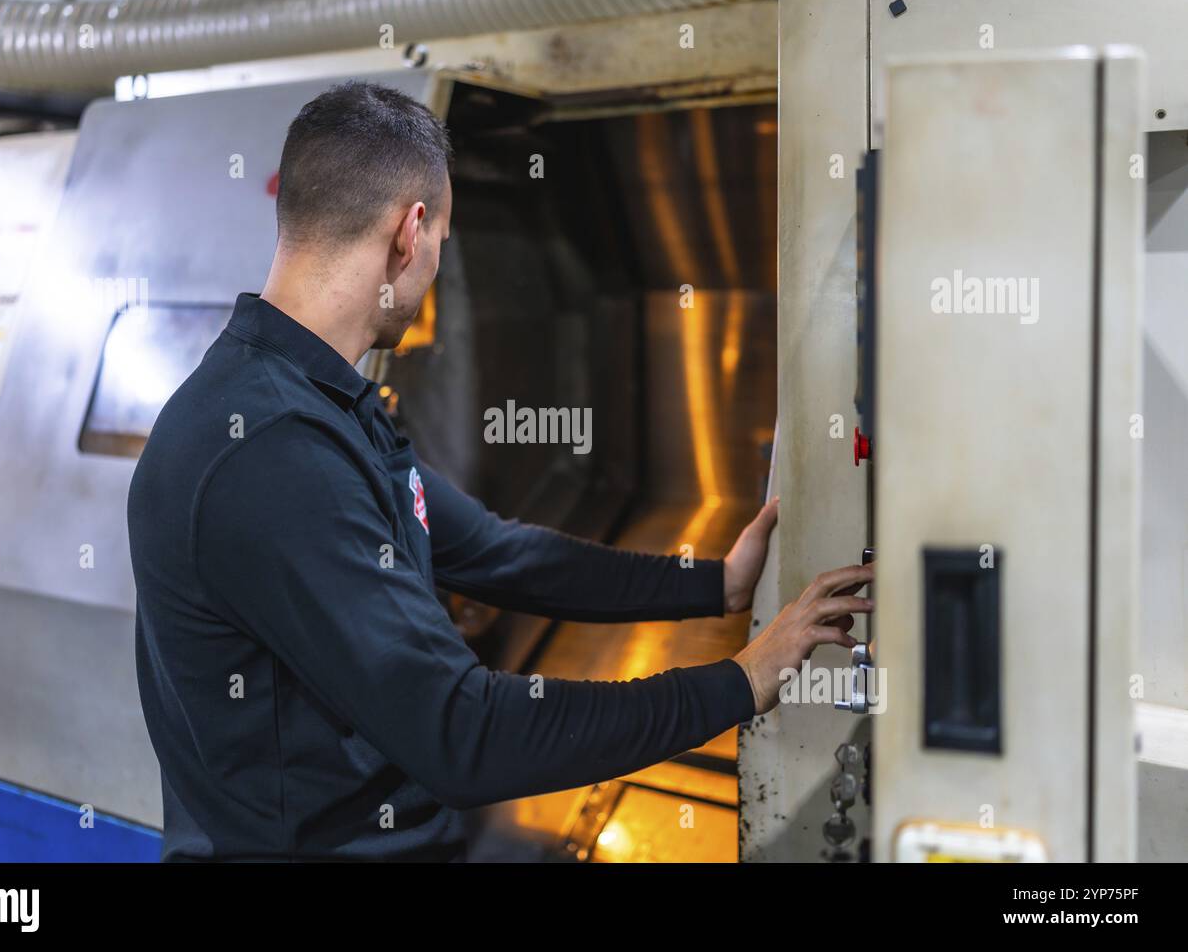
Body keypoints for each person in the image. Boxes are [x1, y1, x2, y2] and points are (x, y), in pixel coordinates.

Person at [127, 80, 873, 861]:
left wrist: (712, 584)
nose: (435, 270)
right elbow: (464, 729)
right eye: (443, 240)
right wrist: (740, 684)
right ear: (410, 232)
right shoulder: (270, 451)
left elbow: (495, 551)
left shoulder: (320, 401)